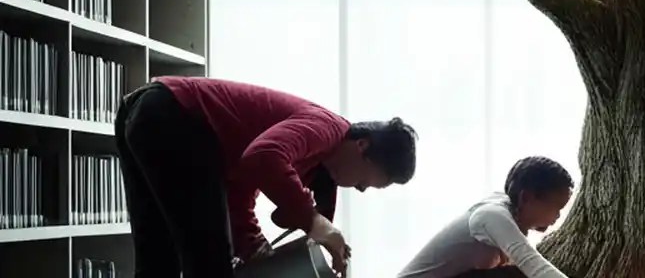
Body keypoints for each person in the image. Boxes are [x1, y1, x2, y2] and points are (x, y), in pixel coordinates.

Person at [114, 76, 417, 278]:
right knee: (208, 266)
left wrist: (252, 243)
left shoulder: (315, 165)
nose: (360, 189)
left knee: (158, 262)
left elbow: (239, 183)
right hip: (172, 115)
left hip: (144, 112)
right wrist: (316, 223)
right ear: (362, 146)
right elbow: (263, 157)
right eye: (366, 182)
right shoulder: (327, 127)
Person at [397, 156, 575, 278]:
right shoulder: (493, 216)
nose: (558, 216)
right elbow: (534, 266)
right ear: (526, 197)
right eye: (556, 207)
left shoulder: (510, 211)